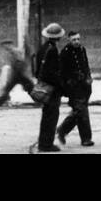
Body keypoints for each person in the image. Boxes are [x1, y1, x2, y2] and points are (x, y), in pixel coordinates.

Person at [56, 29, 94, 147]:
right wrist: (66, 87)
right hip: (73, 87)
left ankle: (62, 129)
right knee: (82, 112)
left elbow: (86, 65)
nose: (77, 42)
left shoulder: (82, 50)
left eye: (78, 39)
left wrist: (89, 77)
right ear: (69, 40)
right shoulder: (65, 52)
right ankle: (85, 139)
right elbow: (62, 72)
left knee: (79, 111)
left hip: (84, 86)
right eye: (74, 40)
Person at [33, 22, 66, 153]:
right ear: (58, 37)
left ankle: (43, 142)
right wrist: (61, 85)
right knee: (51, 117)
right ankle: (46, 145)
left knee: (46, 116)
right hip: (52, 90)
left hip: (44, 87)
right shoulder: (52, 50)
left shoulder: (43, 48)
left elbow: (37, 69)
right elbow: (52, 73)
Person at [0, 40, 35, 106]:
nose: (4, 47)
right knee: (8, 89)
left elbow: (20, 62)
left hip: (18, 73)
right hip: (17, 74)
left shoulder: (15, 52)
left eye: (5, 45)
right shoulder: (12, 52)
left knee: (8, 89)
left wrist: (18, 71)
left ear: (9, 45)